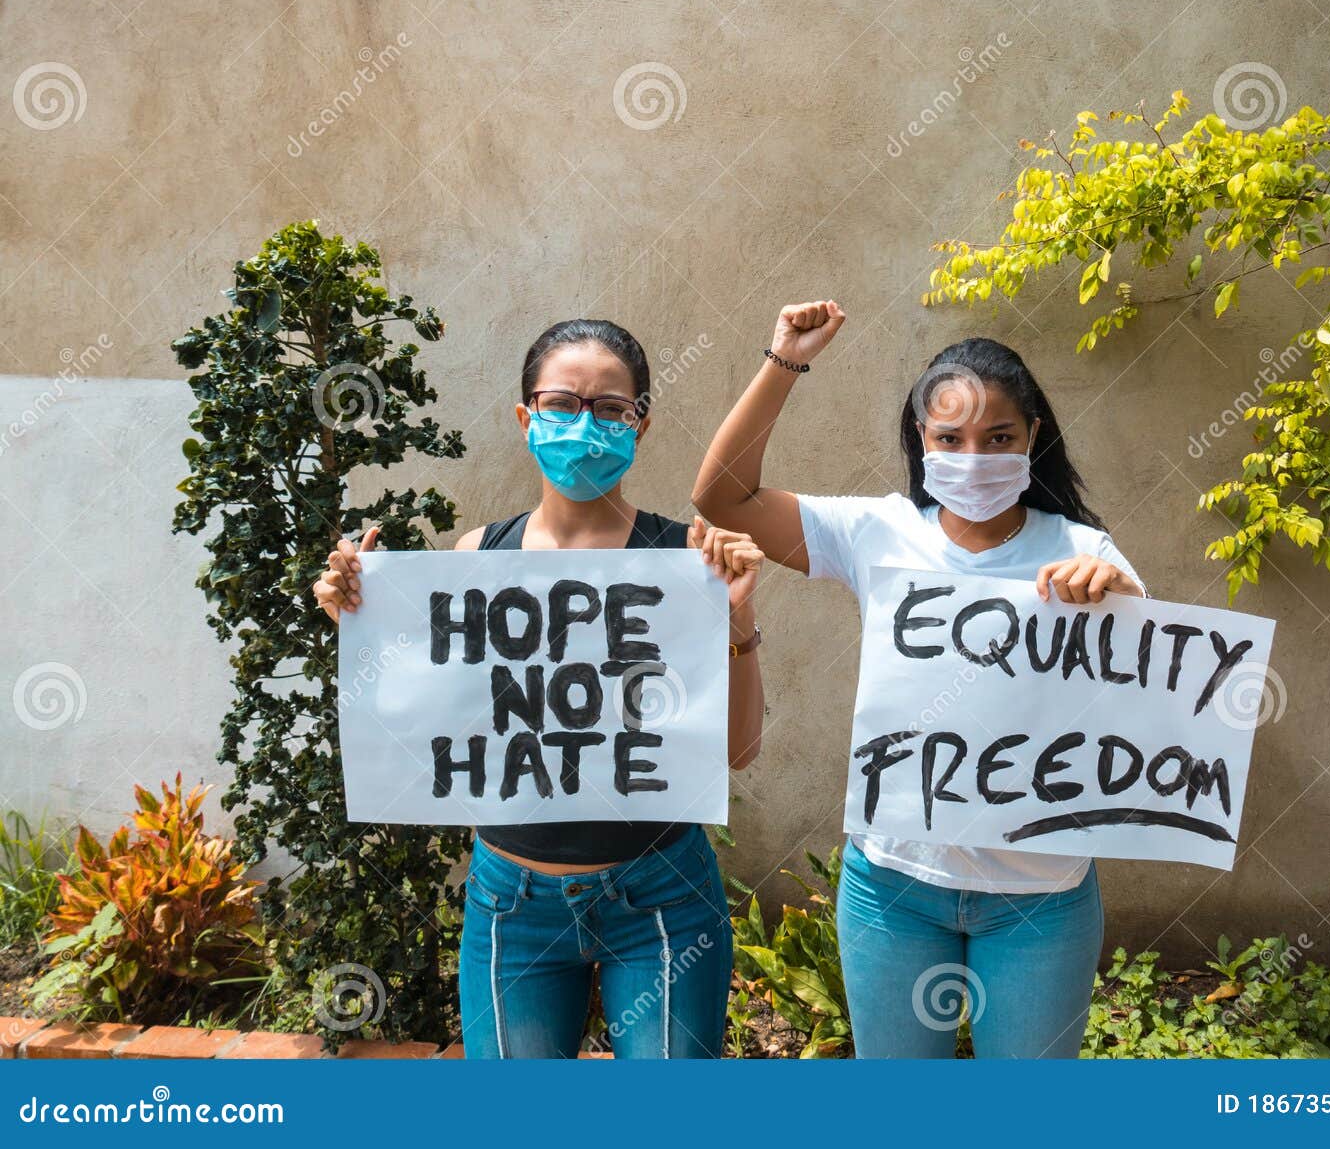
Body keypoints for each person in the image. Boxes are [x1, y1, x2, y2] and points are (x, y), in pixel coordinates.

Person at [691, 301, 1146, 1058]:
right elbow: (722, 497)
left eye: (998, 437)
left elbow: (1155, 691)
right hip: (892, 889)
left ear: (1033, 436)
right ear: (922, 443)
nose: (973, 457)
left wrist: (1118, 598)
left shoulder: (1085, 549)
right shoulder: (876, 531)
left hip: (1042, 900)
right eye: (950, 438)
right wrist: (784, 360)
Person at [314, 318, 765, 1059]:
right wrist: (358, 616)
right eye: (561, 404)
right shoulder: (474, 557)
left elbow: (741, 750)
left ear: (639, 424)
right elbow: (423, 719)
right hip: (510, 904)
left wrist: (739, 620)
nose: (584, 425)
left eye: (611, 408)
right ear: (526, 419)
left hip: (660, 900)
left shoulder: (684, 559)